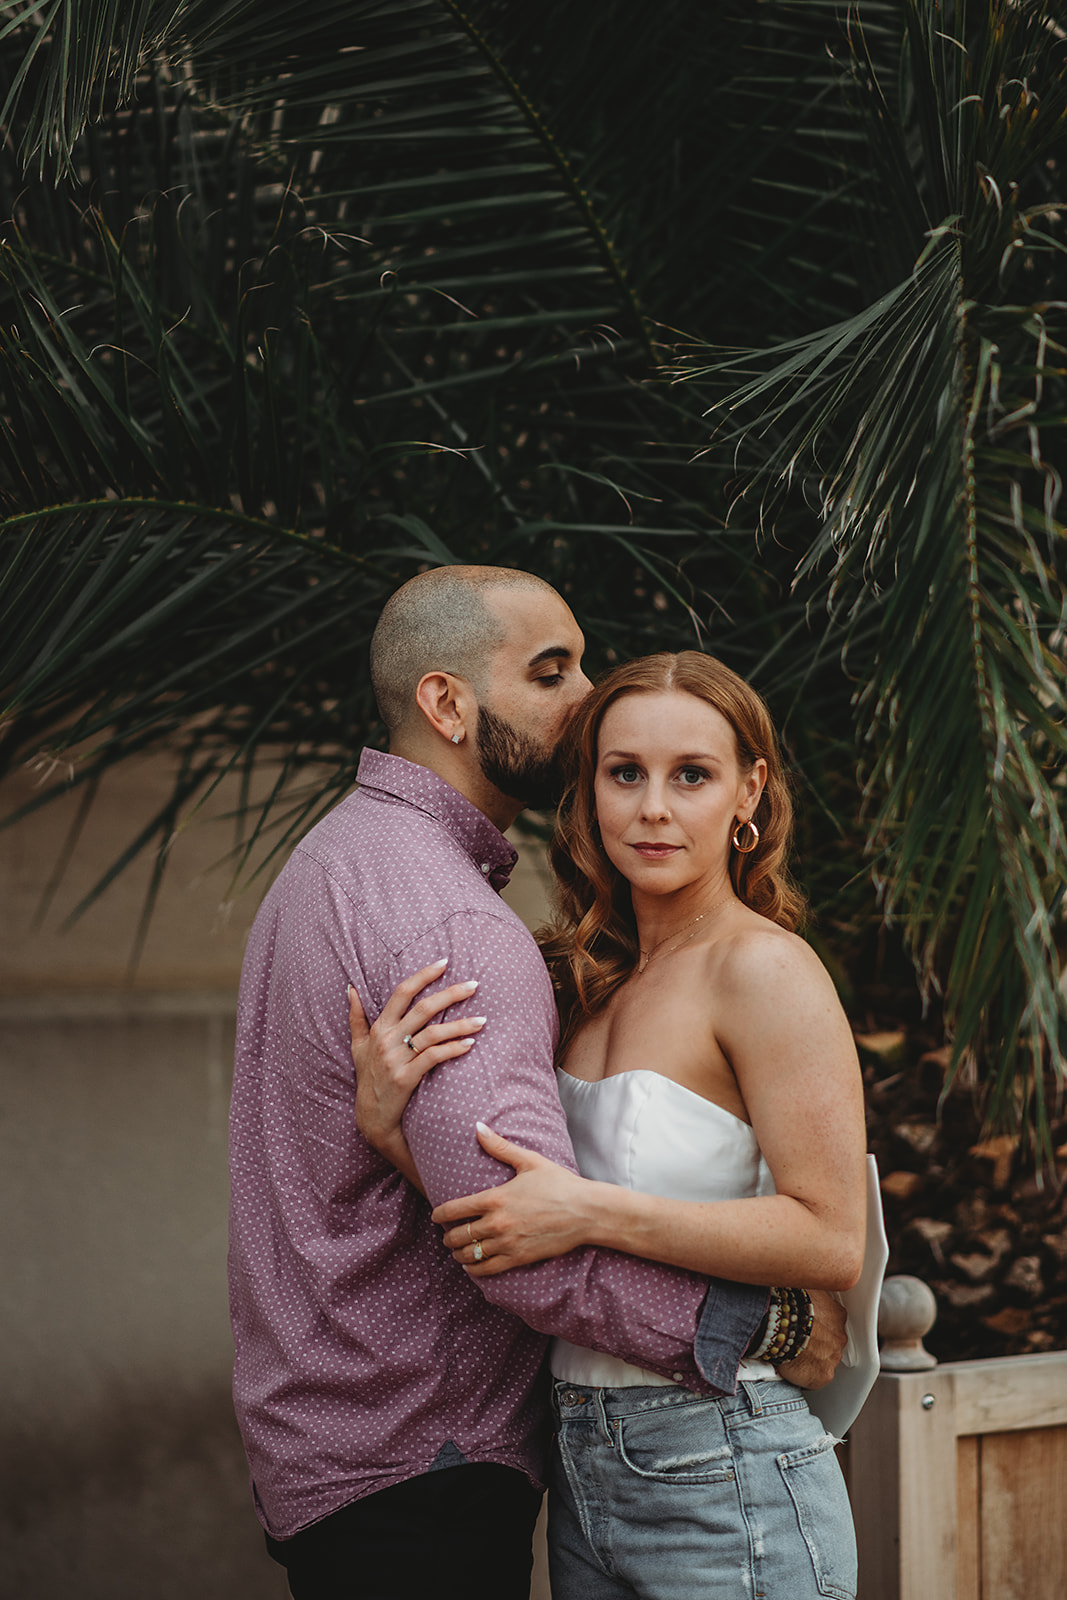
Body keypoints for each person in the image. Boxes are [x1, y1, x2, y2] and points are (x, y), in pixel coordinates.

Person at [228, 566, 846, 1600]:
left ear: (748, 791)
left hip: (704, 1456)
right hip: (452, 1455)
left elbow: (533, 1213)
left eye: (691, 775)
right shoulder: (517, 949)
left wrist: (563, 1204)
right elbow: (518, 1234)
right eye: (553, 672)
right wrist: (759, 1321)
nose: (585, 697)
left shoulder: (338, 862)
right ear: (447, 704)